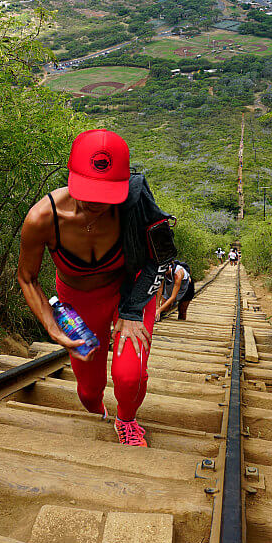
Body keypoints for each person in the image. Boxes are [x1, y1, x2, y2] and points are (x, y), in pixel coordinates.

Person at [17, 128, 170, 447]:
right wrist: (50, 325)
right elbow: (27, 277)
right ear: (71, 176)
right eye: (88, 190)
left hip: (130, 292)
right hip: (78, 301)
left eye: (106, 194)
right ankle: (98, 409)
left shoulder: (137, 203)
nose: (96, 202)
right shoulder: (42, 219)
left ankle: (127, 420)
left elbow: (162, 258)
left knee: (129, 375)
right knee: (88, 391)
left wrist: (131, 310)